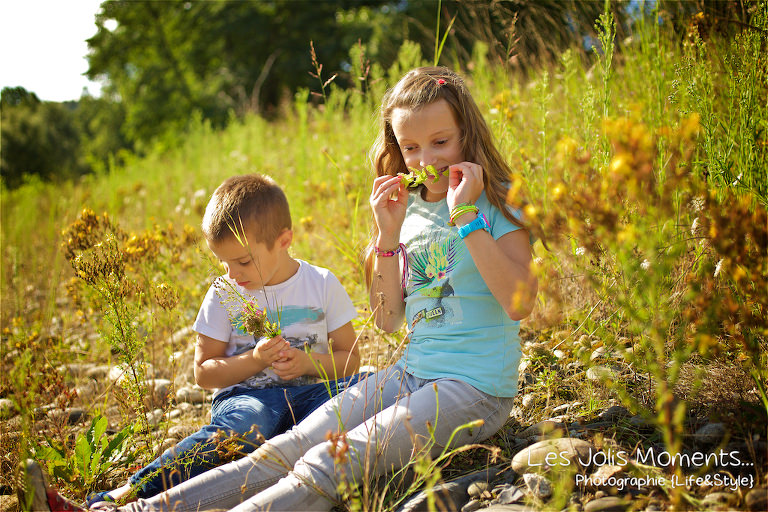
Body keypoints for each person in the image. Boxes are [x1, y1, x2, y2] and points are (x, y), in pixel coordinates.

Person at [34, 66, 537, 512]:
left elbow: (520, 303)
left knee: (334, 458)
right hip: (410, 373)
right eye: (410, 148)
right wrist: (386, 235)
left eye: (440, 143)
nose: (423, 159)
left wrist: (467, 218)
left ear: (466, 135)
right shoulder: (405, 211)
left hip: (475, 389)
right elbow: (388, 321)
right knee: (286, 447)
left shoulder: (495, 201)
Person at [28, 173, 365, 511]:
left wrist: (306, 363)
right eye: (223, 262)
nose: (232, 273)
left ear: (284, 240)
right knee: (247, 427)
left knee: (367, 389)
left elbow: (350, 359)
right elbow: (204, 372)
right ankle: (113, 500)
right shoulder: (223, 293)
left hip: (311, 393)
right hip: (249, 398)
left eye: (243, 261)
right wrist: (255, 361)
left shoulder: (321, 283)